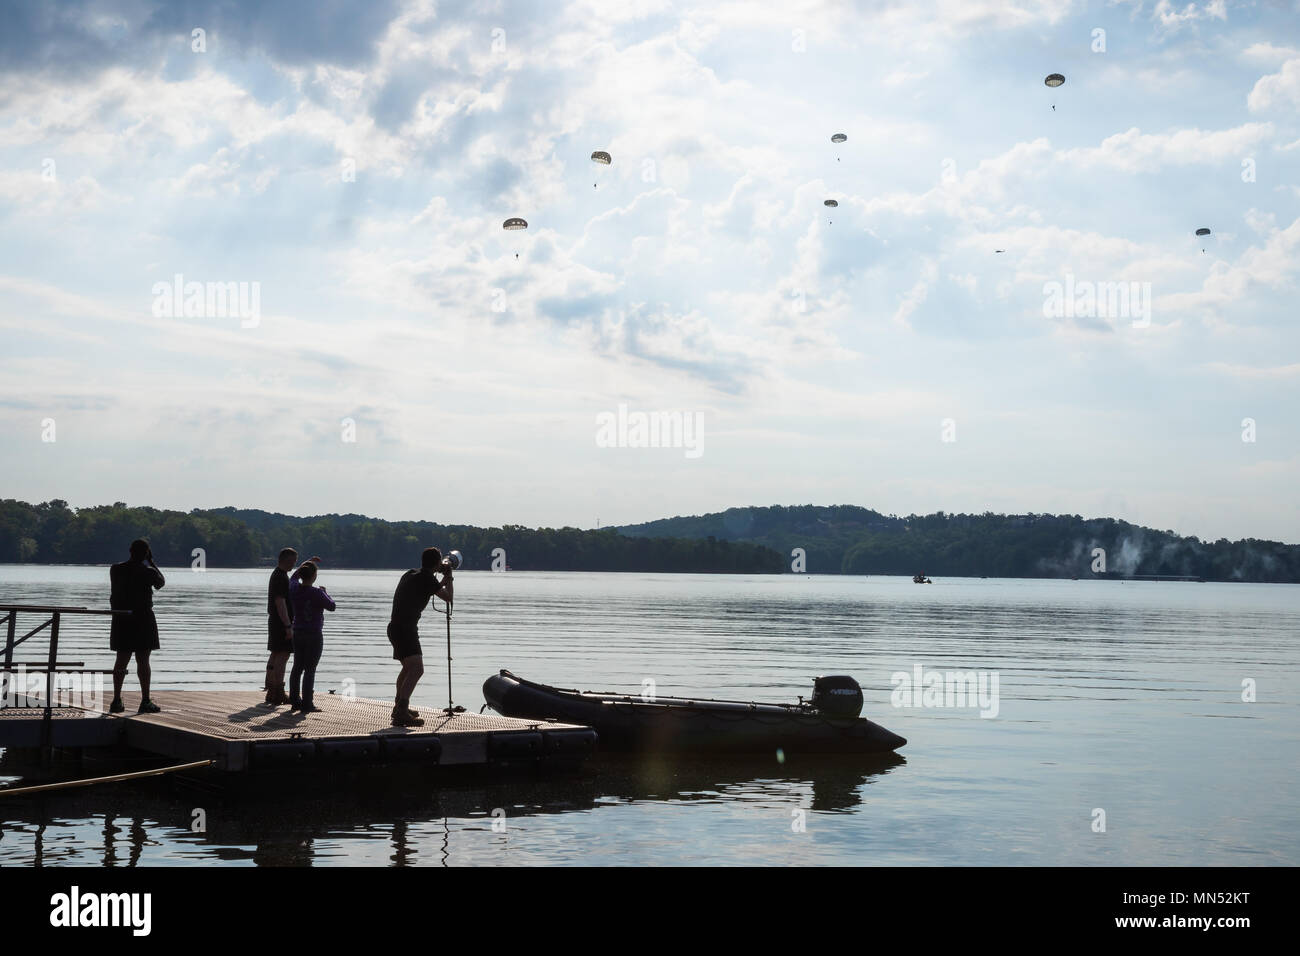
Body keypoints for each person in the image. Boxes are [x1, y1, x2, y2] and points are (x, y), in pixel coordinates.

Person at [386, 547, 453, 727]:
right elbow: (448, 597)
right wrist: (450, 578)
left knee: (408, 668)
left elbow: (428, 587)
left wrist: (442, 579)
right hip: (405, 629)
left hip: (395, 628)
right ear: (437, 563)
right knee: (417, 669)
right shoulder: (427, 579)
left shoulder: (411, 573)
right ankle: (401, 712)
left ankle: (399, 706)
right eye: (440, 562)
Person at [108, 539, 166, 714]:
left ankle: (116, 700)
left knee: (121, 659)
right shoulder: (147, 571)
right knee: (143, 660)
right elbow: (161, 583)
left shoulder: (115, 569)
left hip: (122, 617)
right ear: (145, 553)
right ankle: (145, 700)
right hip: (142, 618)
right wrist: (152, 562)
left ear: (130, 550)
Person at [265, 548, 321, 705]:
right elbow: (280, 601)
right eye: (294, 561)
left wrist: (306, 563)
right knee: (283, 656)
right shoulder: (281, 578)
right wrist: (288, 625)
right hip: (282, 622)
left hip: (274, 621)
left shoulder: (278, 574)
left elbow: (296, 576)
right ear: (287, 560)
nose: (294, 564)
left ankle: (271, 690)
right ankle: (278, 692)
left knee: (275, 654)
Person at [288, 561, 335, 713]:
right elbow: (332, 606)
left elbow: (292, 579)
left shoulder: (294, 589)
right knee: (310, 669)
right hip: (313, 634)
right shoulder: (317, 592)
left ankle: (295, 701)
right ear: (314, 576)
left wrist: (303, 565)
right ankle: (307, 704)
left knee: (297, 667)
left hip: (298, 632)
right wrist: (325, 592)